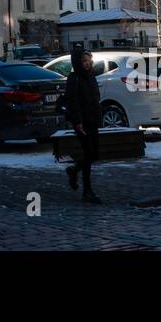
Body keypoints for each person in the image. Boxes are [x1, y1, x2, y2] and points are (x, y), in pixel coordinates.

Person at [62, 44, 102, 204]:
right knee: (88, 153)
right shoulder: (74, 78)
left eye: (88, 60)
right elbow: (73, 101)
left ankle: (73, 170)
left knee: (94, 154)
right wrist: (78, 121)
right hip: (82, 122)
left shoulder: (90, 75)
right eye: (84, 60)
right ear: (77, 62)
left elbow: (95, 97)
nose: (87, 63)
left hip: (93, 120)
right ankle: (87, 191)